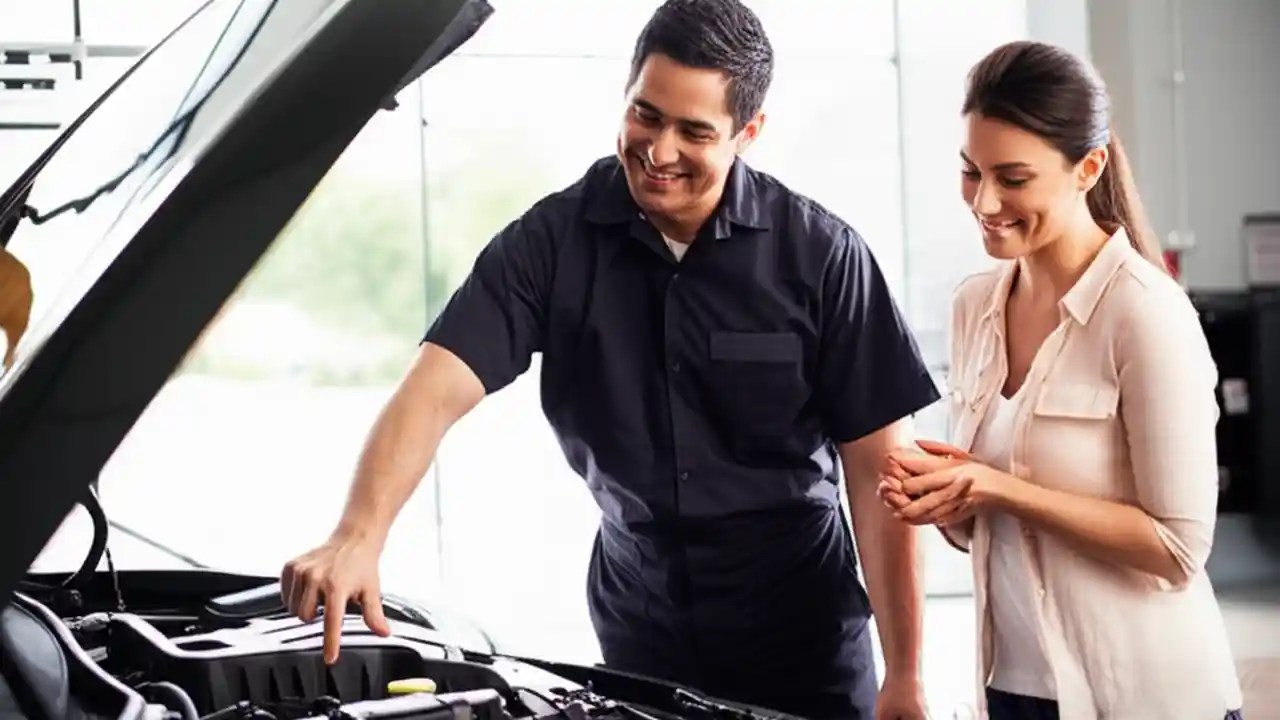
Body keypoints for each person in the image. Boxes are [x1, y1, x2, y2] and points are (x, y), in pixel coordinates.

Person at [280, 1, 941, 718]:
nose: (658, 151)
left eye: (694, 131)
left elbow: (882, 476)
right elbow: (435, 386)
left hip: (801, 638)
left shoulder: (822, 257)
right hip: (640, 633)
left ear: (748, 133)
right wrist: (358, 533)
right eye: (645, 115)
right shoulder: (550, 241)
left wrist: (905, 673)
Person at [877, 40, 1244, 720]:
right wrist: (954, 502)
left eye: (1013, 178)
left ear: (1089, 168)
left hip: (1146, 699)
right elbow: (991, 520)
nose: (984, 200)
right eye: (970, 171)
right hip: (1012, 690)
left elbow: (1178, 547)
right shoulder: (974, 305)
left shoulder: (1146, 312)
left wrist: (1002, 489)